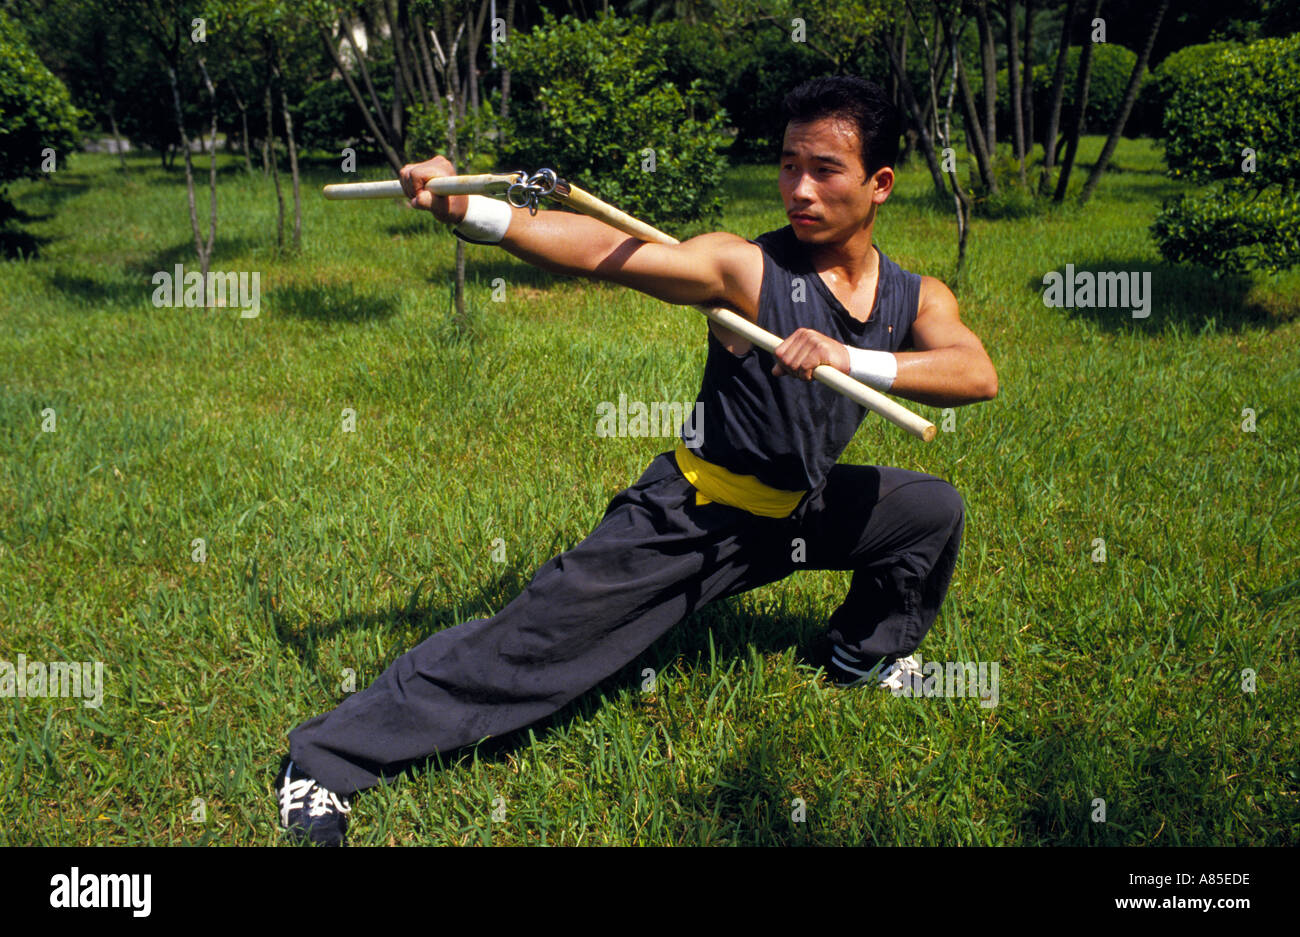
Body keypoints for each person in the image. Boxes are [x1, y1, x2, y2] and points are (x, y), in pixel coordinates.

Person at [275, 75, 997, 845]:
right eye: (789, 165)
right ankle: (323, 761)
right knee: (530, 650)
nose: (799, 188)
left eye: (825, 169)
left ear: (879, 183)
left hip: (798, 509)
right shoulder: (745, 269)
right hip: (692, 516)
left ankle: (863, 651)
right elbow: (601, 253)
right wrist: (472, 210)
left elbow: (975, 373)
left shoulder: (914, 298)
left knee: (929, 510)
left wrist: (851, 358)